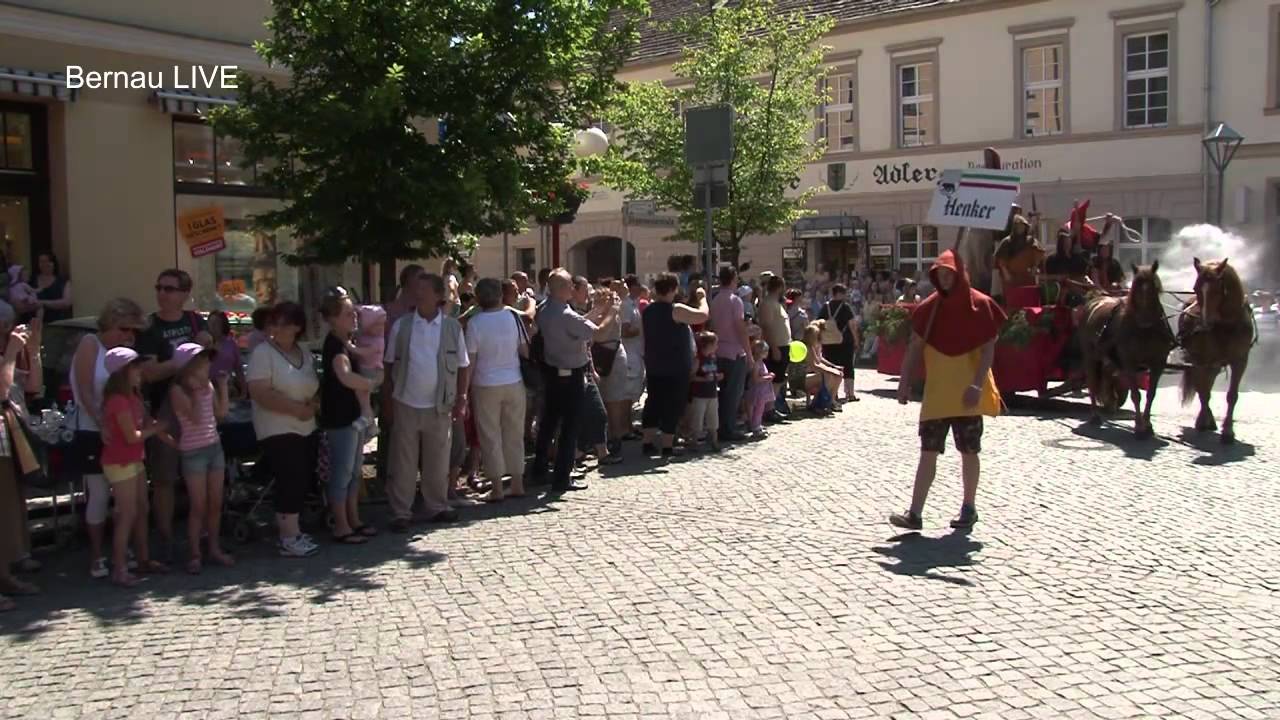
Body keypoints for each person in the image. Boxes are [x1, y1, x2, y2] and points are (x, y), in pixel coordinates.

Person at [890, 250, 1006, 531]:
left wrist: (977, 384)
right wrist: (904, 381)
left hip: (967, 393)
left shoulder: (979, 305)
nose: (943, 279)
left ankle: (969, 507)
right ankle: (915, 513)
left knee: (969, 451)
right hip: (938, 395)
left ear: (958, 275)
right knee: (927, 452)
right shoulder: (929, 309)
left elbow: (988, 348)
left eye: (948, 274)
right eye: (939, 274)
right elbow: (915, 347)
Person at [383, 273, 471, 530]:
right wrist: (387, 400)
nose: (418, 294)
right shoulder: (403, 326)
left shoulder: (452, 327)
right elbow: (389, 365)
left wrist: (462, 398)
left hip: (439, 404)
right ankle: (401, 511)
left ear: (437, 295)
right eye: (415, 289)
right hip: (406, 402)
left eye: (424, 289)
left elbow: (463, 365)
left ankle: (436, 505)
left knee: (438, 460)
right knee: (404, 461)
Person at [70, 297, 148, 579]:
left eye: (133, 332)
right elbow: (84, 388)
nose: (128, 336)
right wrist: (100, 421)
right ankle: (96, 555)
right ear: (111, 323)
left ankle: (123, 552)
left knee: (126, 499)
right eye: (124, 329)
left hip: (120, 434)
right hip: (92, 431)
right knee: (99, 494)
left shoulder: (124, 352)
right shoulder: (90, 344)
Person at [136, 268, 211, 556]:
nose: (162, 293)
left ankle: (202, 535)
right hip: (163, 411)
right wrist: (181, 360)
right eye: (159, 287)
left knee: (199, 475)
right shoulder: (149, 328)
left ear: (184, 294)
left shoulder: (195, 320)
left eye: (169, 289)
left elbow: (209, 361)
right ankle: (166, 539)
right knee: (165, 477)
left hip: (199, 410)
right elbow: (149, 373)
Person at [246, 302, 321, 557]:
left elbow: (312, 384)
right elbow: (260, 392)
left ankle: (295, 529)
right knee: (289, 477)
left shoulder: (304, 351)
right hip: (277, 427)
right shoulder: (263, 353)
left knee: (301, 478)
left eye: (281, 323)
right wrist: (295, 409)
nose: (275, 328)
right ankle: (287, 536)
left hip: (306, 426)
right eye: (273, 323)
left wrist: (313, 404)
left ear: (296, 327)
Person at [533, 269, 617, 492]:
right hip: (570, 376)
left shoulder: (545, 308)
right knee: (570, 428)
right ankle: (562, 477)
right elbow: (596, 333)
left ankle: (539, 470)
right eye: (570, 285)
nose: (573, 288)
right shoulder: (564, 314)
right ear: (561, 289)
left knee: (549, 425)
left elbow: (578, 324)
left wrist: (598, 309)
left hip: (553, 373)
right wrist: (611, 313)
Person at [98, 346, 172, 586]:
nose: (140, 371)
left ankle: (143, 560)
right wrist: (157, 429)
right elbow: (132, 435)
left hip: (135, 459)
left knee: (142, 509)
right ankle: (119, 568)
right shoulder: (118, 400)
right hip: (120, 462)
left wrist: (168, 437)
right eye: (135, 367)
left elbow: (147, 422)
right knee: (127, 513)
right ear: (122, 372)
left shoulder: (134, 395)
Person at [167, 343, 233, 572]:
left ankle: (213, 548)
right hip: (193, 452)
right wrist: (196, 392)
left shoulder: (209, 387)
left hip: (214, 447)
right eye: (202, 361)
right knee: (198, 505)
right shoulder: (178, 390)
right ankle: (194, 553)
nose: (207, 365)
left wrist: (222, 387)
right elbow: (194, 418)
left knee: (215, 503)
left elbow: (221, 413)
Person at [317, 293, 377, 543]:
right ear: (332, 319)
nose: (354, 317)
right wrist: (370, 384)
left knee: (354, 473)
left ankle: (354, 519)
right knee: (342, 474)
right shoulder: (334, 345)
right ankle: (341, 525)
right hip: (340, 418)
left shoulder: (347, 341)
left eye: (354, 313)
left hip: (352, 416)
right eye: (347, 314)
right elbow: (344, 375)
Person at [465, 278, 527, 502]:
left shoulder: (475, 323)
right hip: (514, 380)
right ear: (500, 295)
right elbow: (524, 350)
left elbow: (470, 360)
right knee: (514, 433)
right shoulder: (512, 317)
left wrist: (464, 391)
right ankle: (518, 482)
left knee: (490, 435)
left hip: (485, 383)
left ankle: (498, 487)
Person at [0, 301, 42, 608]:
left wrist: (33, 348)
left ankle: (10, 567)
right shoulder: (7, 354)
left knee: (12, 507)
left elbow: (34, 385)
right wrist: (12, 352)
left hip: (10, 438)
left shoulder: (9, 352)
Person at [640, 273, 708, 459]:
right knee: (673, 404)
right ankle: (667, 447)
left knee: (653, 403)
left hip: (654, 364)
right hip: (675, 366)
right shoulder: (675, 309)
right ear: (673, 289)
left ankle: (647, 443)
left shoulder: (648, 310)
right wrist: (702, 298)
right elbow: (702, 316)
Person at [575, 277, 627, 461]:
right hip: (598, 355)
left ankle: (614, 439)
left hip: (612, 355)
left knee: (613, 400)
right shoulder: (597, 313)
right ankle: (599, 441)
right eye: (594, 298)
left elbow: (600, 331)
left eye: (599, 299)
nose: (594, 301)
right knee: (600, 401)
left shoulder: (612, 314)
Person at [709, 267, 751, 443]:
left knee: (722, 392)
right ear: (734, 279)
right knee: (733, 393)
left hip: (719, 351)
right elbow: (740, 328)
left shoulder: (716, 299)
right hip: (734, 352)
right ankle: (728, 429)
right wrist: (749, 353)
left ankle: (719, 427)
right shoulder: (735, 301)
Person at [756, 275, 791, 422]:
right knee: (774, 379)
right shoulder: (768, 303)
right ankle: (768, 409)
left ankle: (772, 407)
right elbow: (767, 327)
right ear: (779, 287)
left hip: (783, 345)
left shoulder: (776, 303)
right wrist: (774, 348)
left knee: (779, 379)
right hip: (776, 346)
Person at [818, 284, 861, 403]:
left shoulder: (825, 307)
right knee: (848, 366)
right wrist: (856, 340)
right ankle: (850, 393)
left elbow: (819, 324)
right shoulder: (845, 307)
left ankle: (833, 393)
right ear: (840, 293)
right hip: (845, 341)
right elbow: (852, 325)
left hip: (828, 342)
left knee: (831, 366)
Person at [688, 331, 723, 453]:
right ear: (708, 345)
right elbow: (691, 376)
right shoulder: (698, 359)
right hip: (700, 395)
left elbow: (713, 373)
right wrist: (703, 379)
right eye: (715, 344)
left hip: (712, 394)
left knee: (713, 419)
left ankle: (714, 441)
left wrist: (717, 376)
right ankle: (694, 442)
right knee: (697, 419)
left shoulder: (713, 358)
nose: (717, 346)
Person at [619, 275, 646, 421]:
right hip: (629, 355)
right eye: (637, 285)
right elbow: (624, 331)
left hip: (637, 353)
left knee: (635, 392)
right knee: (628, 394)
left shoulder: (633, 304)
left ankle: (627, 425)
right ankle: (624, 427)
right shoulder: (626, 305)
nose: (640, 287)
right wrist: (641, 330)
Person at [804, 322, 844, 415]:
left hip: (809, 375)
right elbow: (814, 365)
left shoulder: (812, 347)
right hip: (801, 378)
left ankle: (829, 401)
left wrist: (833, 368)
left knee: (837, 375)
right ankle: (818, 404)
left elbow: (819, 360)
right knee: (828, 376)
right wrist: (831, 370)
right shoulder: (806, 348)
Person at [206, 310, 245, 399]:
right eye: (211, 323)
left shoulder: (230, 344)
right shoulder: (203, 342)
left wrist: (243, 390)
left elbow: (238, 369)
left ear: (223, 325)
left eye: (217, 323)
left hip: (227, 387)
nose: (213, 326)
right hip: (207, 388)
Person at [25, 253, 72, 324]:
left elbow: (66, 303)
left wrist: (42, 302)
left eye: (48, 261)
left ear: (53, 263)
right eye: (42, 262)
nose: (45, 264)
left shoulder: (63, 281)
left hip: (57, 324)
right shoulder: (31, 281)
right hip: (34, 325)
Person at [745, 340, 775, 440]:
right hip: (757, 391)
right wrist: (768, 377)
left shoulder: (761, 363)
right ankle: (755, 427)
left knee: (760, 409)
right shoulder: (757, 364)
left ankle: (757, 424)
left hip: (762, 391)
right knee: (757, 409)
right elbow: (755, 379)